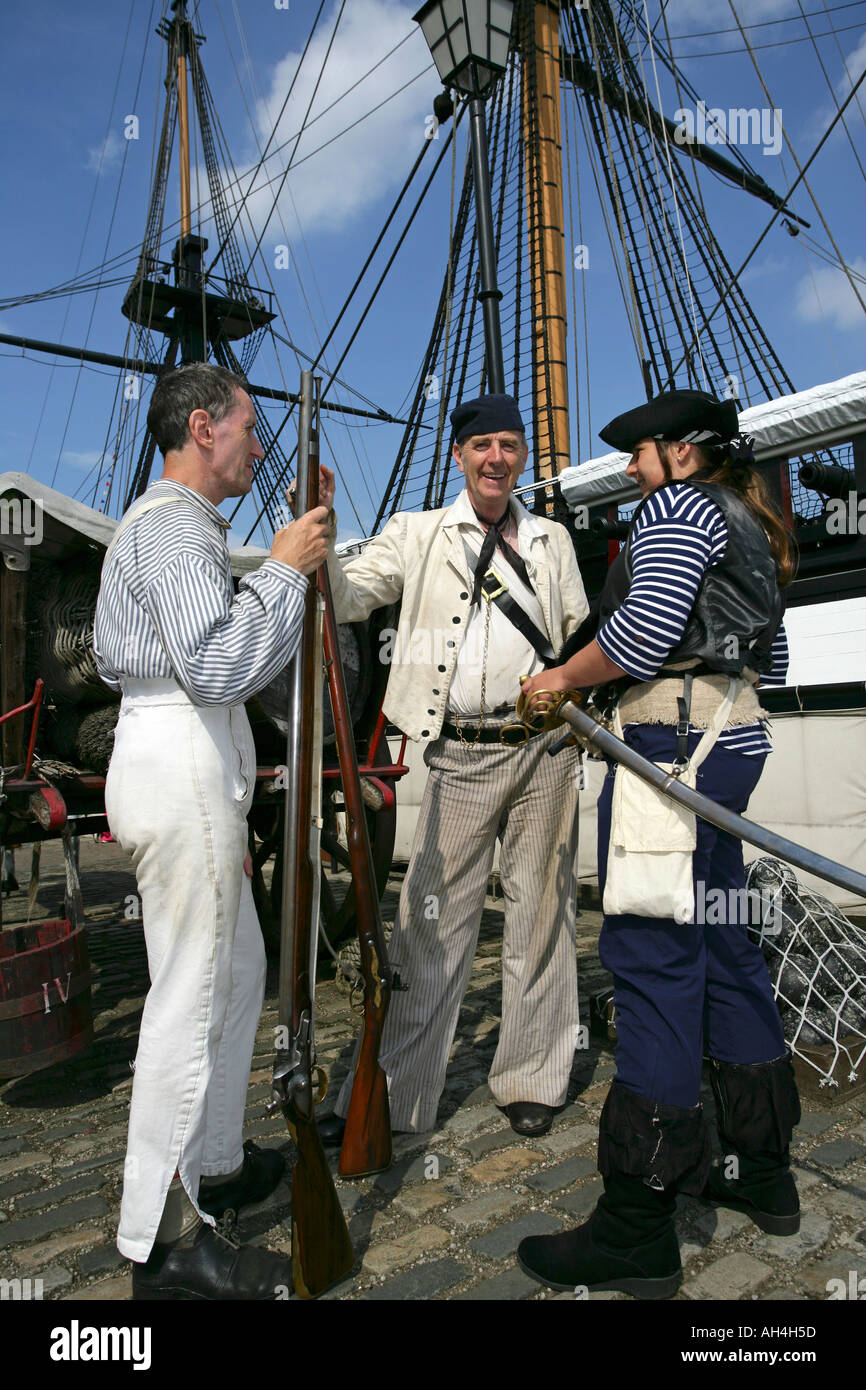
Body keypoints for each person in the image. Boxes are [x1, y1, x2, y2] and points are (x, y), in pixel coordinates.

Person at [515, 388, 800, 1299]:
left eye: (641, 451)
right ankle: (764, 1173)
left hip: (671, 747)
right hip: (732, 741)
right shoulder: (755, 518)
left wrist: (560, 678)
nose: (632, 469)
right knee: (723, 942)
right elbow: (776, 662)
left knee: (652, 953)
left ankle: (637, 1225)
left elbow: (639, 634)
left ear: (680, 453)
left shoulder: (676, 508)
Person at [94, 362, 332, 1300]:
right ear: (202, 427)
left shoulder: (179, 530)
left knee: (232, 974)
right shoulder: (170, 529)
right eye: (248, 427)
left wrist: (286, 556)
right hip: (180, 754)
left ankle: (218, 1164)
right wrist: (281, 570)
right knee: (190, 998)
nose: (258, 444)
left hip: (188, 753)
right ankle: (161, 1237)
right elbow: (219, 663)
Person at [317, 394, 590, 1142]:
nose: (497, 458)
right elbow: (344, 596)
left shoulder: (552, 541)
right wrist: (323, 529)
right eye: (483, 446)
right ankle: (398, 1091)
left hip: (545, 748)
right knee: (430, 926)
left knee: (542, 912)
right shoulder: (416, 534)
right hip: (461, 748)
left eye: (509, 444)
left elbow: (572, 639)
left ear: (521, 457)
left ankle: (533, 1074)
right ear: (459, 456)